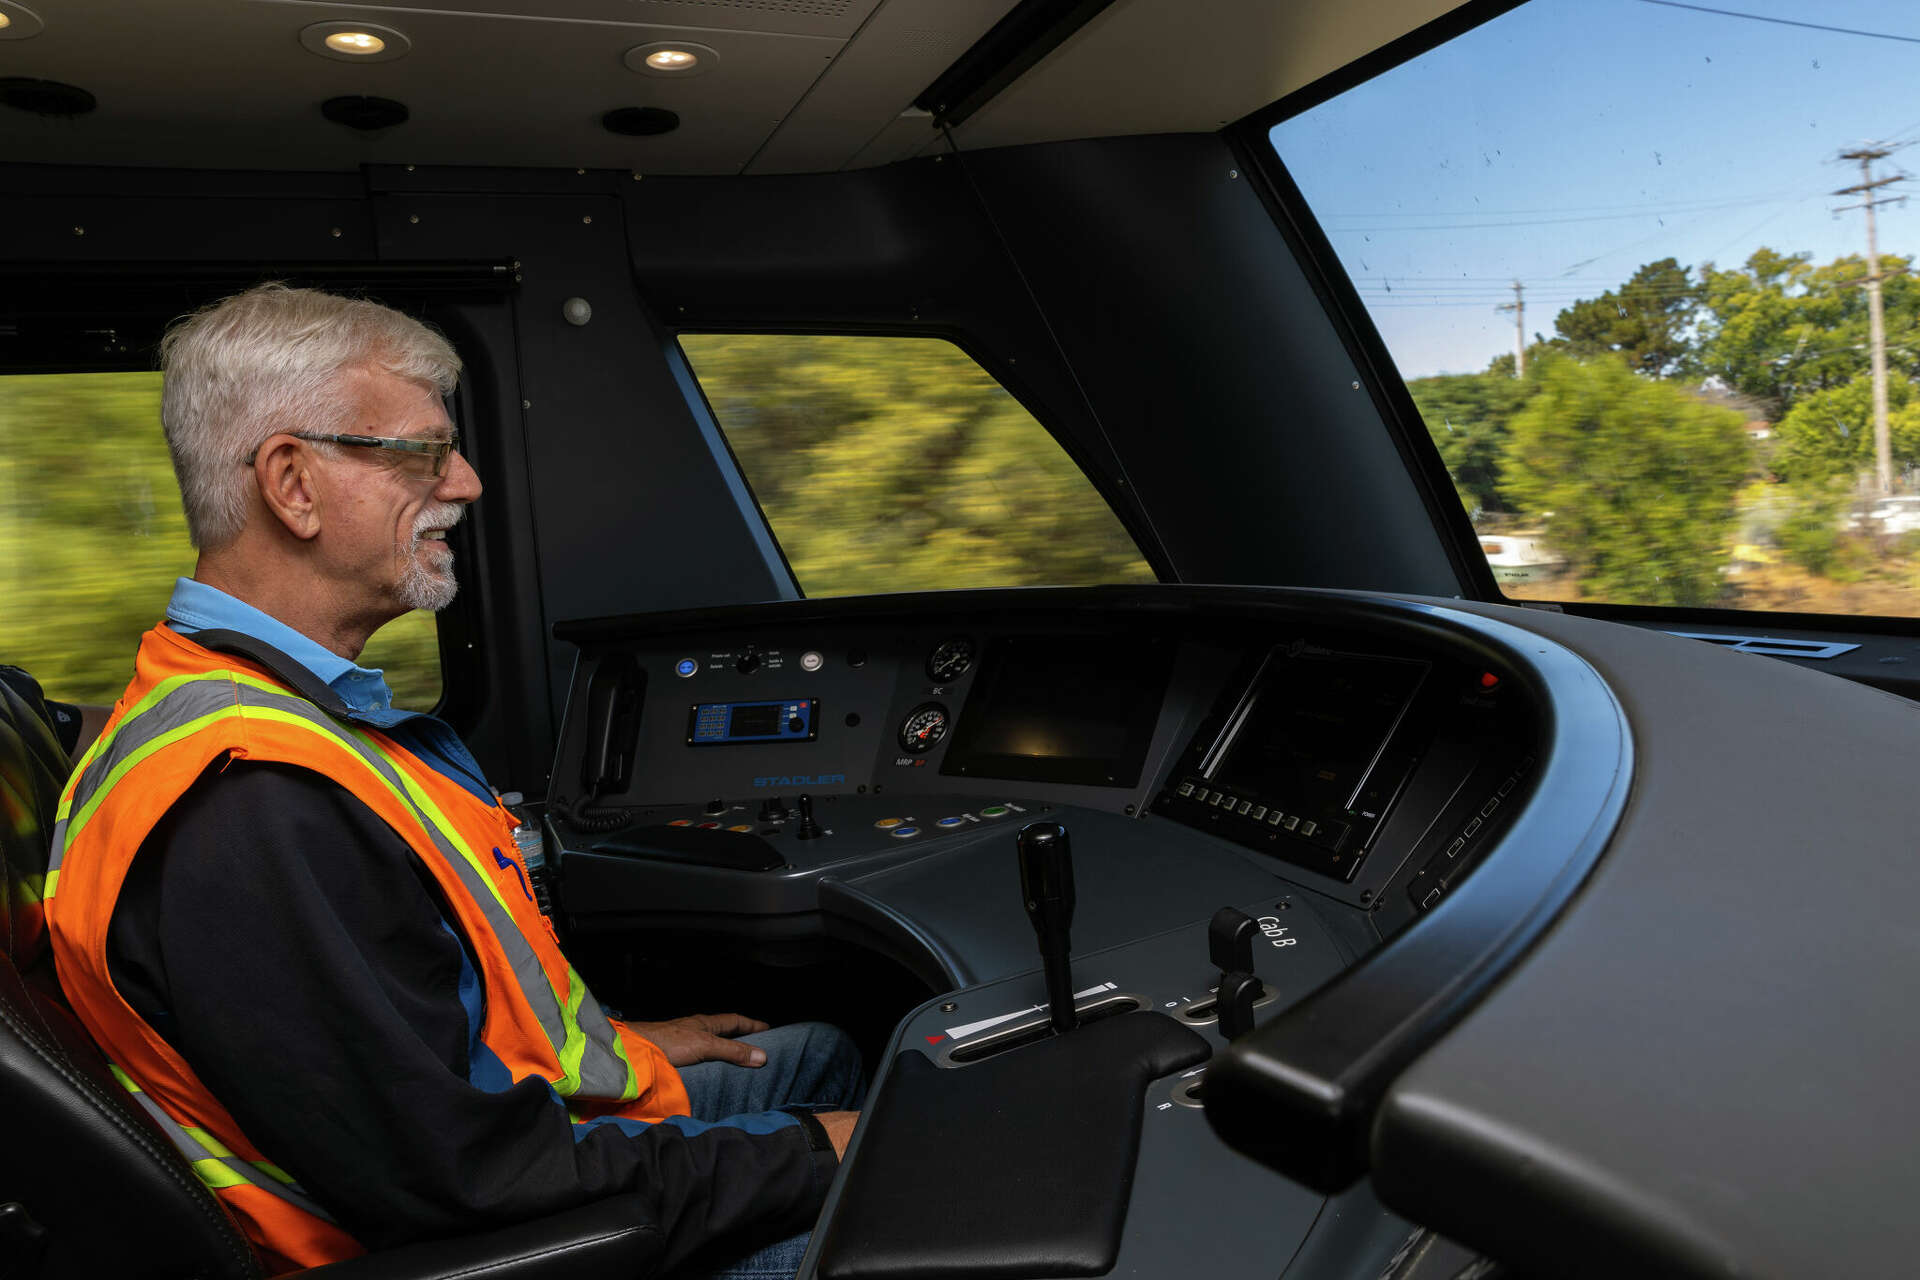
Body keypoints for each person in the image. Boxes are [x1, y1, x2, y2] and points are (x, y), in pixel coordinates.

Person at [43, 284, 861, 1278]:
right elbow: (468, 1181)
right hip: (485, 1243)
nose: (467, 483)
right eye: (423, 453)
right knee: (905, 1184)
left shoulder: (229, 702)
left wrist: (617, 1043)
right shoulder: (256, 801)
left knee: (822, 1057)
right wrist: (811, 1154)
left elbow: (415, 1037)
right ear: (293, 484)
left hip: (488, 1151)